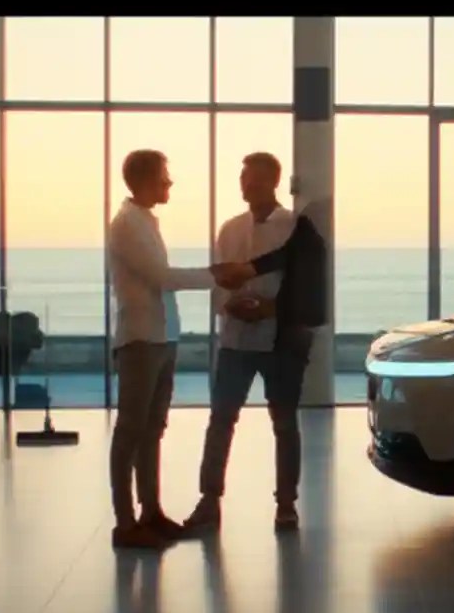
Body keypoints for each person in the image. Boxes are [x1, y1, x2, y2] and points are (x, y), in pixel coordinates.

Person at [106, 149, 254, 550]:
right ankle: (126, 523)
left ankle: (150, 513)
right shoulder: (125, 225)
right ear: (142, 181)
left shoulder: (144, 222)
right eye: (164, 179)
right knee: (130, 432)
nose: (169, 185)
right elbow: (161, 277)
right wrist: (218, 276)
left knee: (152, 430)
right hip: (141, 338)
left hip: (161, 337)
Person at [180, 152, 312, 536]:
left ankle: (286, 505)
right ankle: (209, 501)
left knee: (284, 424)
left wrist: (271, 308)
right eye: (242, 180)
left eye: (253, 180)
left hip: (282, 342)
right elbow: (218, 281)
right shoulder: (230, 229)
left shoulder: (295, 228)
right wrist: (229, 305)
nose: (245, 186)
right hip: (236, 340)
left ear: (273, 182)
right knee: (220, 420)